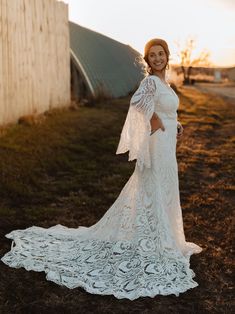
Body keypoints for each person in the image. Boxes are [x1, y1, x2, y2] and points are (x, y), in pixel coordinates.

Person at [1, 38, 203, 301]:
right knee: (152, 188)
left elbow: (166, 110)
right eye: (151, 55)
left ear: (167, 56)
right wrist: (153, 118)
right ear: (147, 60)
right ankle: (156, 240)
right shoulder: (151, 82)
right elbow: (137, 104)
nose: (156, 58)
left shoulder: (164, 83)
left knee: (163, 188)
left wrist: (175, 125)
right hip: (156, 147)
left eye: (160, 53)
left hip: (167, 147)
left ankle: (164, 237)